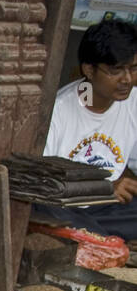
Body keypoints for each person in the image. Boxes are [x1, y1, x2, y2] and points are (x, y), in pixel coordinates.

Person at [38, 20, 137, 242]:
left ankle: (96, 238)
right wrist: (104, 188)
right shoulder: (59, 111)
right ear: (89, 70)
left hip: (106, 210)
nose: (127, 80)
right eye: (116, 70)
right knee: (43, 212)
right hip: (65, 206)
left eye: (133, 68)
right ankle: (99, 239)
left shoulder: (134, 104)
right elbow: (42, 185)